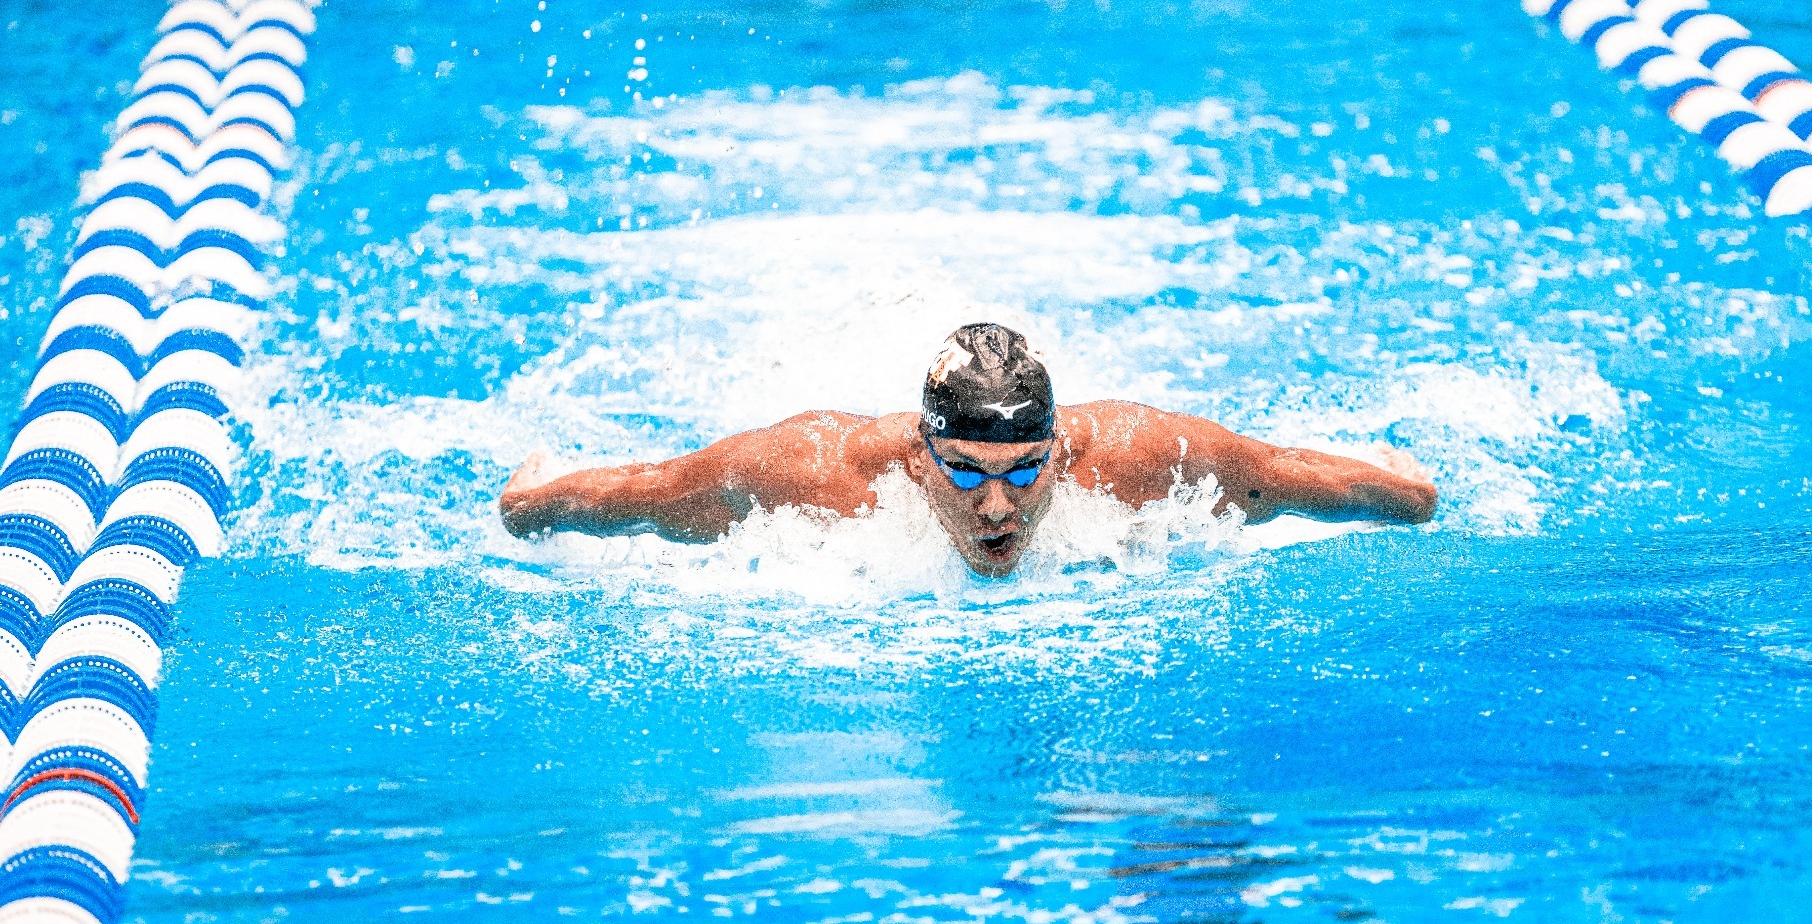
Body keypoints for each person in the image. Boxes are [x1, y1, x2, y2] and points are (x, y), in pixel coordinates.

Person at [500, 323, 1437, 577]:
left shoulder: (1140, 458)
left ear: (1062, 454)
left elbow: (1278, 477)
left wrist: (1406, 493)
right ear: (920, 459)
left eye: (1027, 472)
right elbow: (655, 491)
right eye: (969, 475)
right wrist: (532, 502)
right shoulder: (818, 478)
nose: (999, 509)